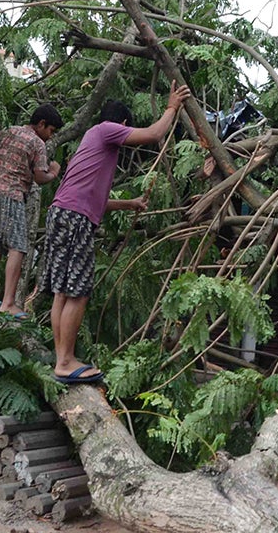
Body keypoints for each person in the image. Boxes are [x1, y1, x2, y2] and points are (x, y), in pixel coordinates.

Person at [41, 81, 191, 384]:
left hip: (61, 214)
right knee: (78, 292)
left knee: (62, 291)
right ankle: (66, 361)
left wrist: (130, 203)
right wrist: (172, 106)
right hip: (75, 219)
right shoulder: (107, 129)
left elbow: (94, 199)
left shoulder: (90, 143)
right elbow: (153, 134)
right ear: (121, 124)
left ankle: (62, 358)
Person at [0, 103, 63, 319]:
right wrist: (53, 172)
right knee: (18, 248)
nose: (50, 137)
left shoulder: (8, 131)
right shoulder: (37, 143)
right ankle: (8, 303)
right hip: (12, 195)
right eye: (50, 131)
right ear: (41, 124)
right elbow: (40, 178)